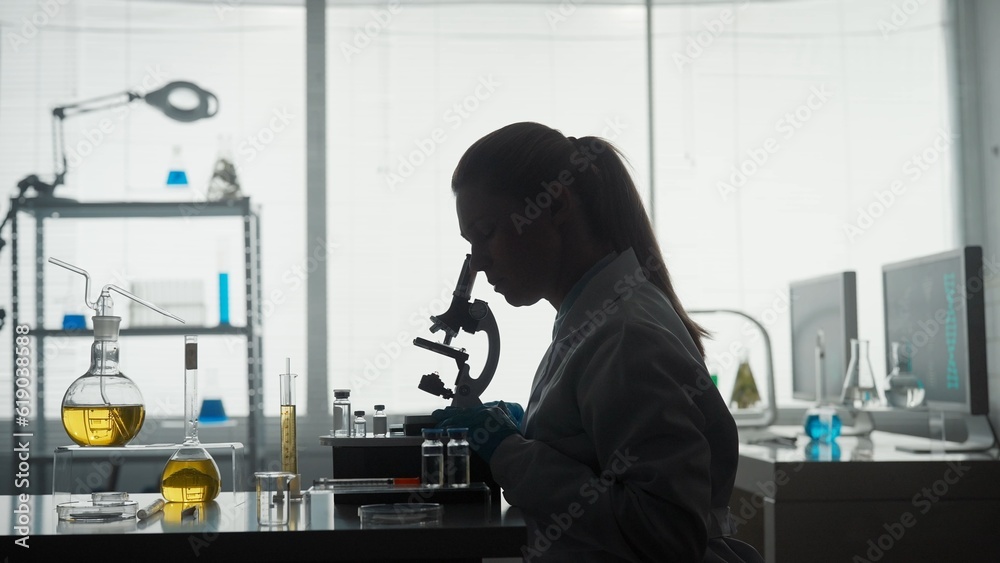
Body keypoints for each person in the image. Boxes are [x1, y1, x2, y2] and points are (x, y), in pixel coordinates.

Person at [433, 122, 760, 562]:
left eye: (487, 232)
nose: (479, 261)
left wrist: (510, 453)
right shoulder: (590, 319)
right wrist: (528, 435)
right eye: (471, 243)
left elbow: (668, 533)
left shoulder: (627, 334)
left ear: (556, 205)